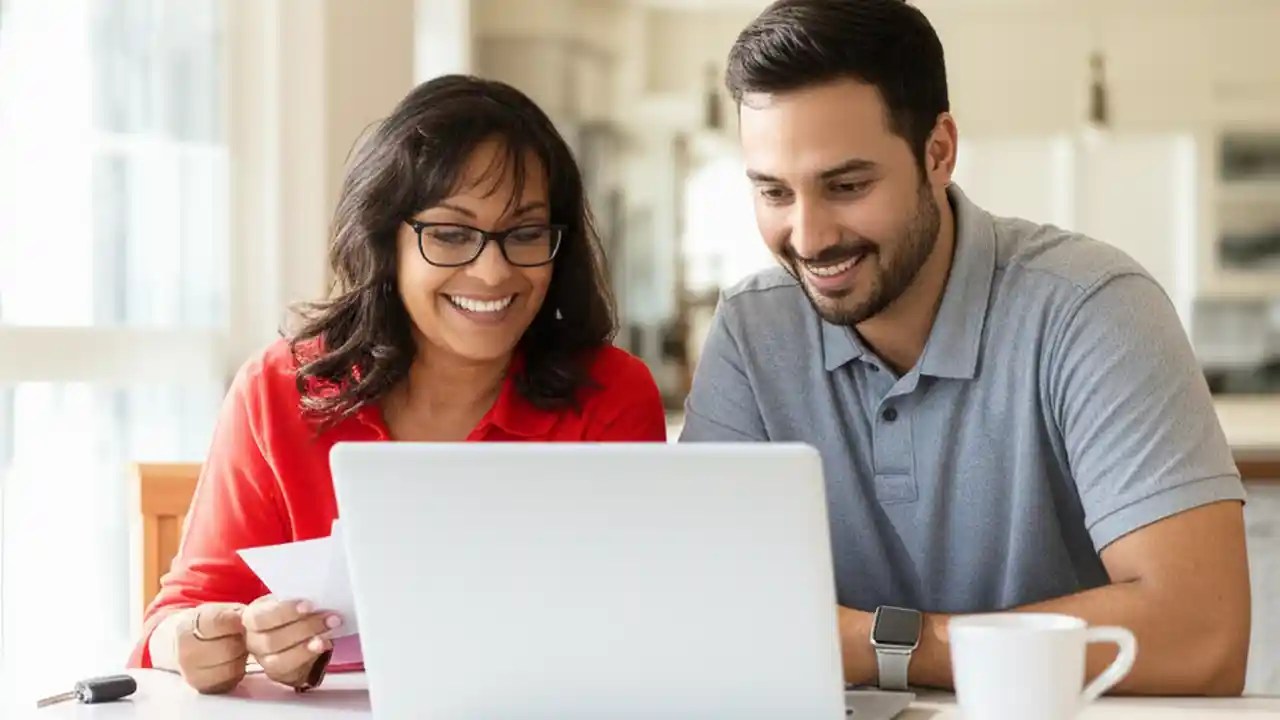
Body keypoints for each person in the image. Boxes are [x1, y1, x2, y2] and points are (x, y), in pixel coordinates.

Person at [681, 0, 1250, 696]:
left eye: (848, 185)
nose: (810, 236)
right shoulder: (751, 332)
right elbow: (712, 619)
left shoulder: (1093, 308)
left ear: (939, 152)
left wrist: (881, 645)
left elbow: (1202, 635)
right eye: (773, 191)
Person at [129, 75, 668, 694]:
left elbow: (637, 634)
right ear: (387, 240)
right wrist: (208, 638)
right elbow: (172, 624)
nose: (492, 272)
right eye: (450, 234)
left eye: (524, 234)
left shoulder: (610, 394)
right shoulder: (279, 390)